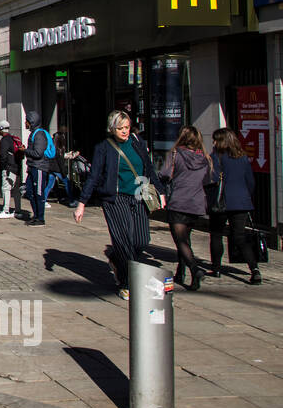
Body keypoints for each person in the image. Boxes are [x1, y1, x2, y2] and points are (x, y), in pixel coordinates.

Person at [73, 110, 166, 300]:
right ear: (112, 128)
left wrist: (161, 191)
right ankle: (126, 283)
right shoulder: (104, 148)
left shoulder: (138, 142)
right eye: (120, 128)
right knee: (123, 242)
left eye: (127, 127)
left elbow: (149, 168)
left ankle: (115, 259)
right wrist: (82, 203)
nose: (124, 131)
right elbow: (94, 176)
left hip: (139, 197)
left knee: (141, 240)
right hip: (114, 200)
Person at [160, 125, 213, 291]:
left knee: (180, 240)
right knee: (185, 239)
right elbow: (208, 180)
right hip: (196, 203)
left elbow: (165, 174)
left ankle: (194, 269)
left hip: (178, 202)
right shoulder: (204, 157)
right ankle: (180, 272)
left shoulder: (175, 154)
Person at [209, 127, 260, 285]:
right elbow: (250, 181)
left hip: (221, 202)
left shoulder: (216, 157)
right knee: (240, 237)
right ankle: (254, 269)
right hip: (241, 202)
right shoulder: (242, 157)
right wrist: (245, 196)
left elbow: (213, 178)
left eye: (215, 139)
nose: (213, 142)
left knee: (217, 235)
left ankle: (216, 268)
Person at [23, 111, 57, 226]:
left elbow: (38, 153)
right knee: (30, 191)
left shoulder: (39, 135)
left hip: (39, 167)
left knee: (38, 193)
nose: (25, 123)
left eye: (26, 121)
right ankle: (36, 215)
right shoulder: (33, 134)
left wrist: (25, 151)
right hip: (33, 167)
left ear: (31, 122)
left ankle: (40, 218)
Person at [0, 119, 23, 220]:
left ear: (1, 129)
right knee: (16, 190)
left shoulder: (4, 140)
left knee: (6, 188)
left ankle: (5, 210)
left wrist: (2, 167)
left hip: (8, 168)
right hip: (17, 167)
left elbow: (3, 156)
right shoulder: (14, 139)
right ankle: (18, 210)